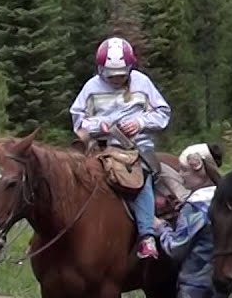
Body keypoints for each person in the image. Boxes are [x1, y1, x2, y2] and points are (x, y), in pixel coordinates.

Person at [69, 36, 172, 260]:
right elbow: (78, 120)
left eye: (121, 75)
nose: (116, 80)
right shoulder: (91, 88)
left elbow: (163, 113)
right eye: (111, 76)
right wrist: (99, 126)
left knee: (138, 179)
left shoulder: (142, 83)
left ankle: (146, 236)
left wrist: (140, 123)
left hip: (136, 149)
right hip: (100, 148)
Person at [154, 143, 223, 298]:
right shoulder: (225, 199)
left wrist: (161, 227)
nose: (180, 174)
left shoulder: (195, 207)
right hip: (219, 283)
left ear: (199, 169)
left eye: (184, 170)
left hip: (195, 285)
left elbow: (175, 249)